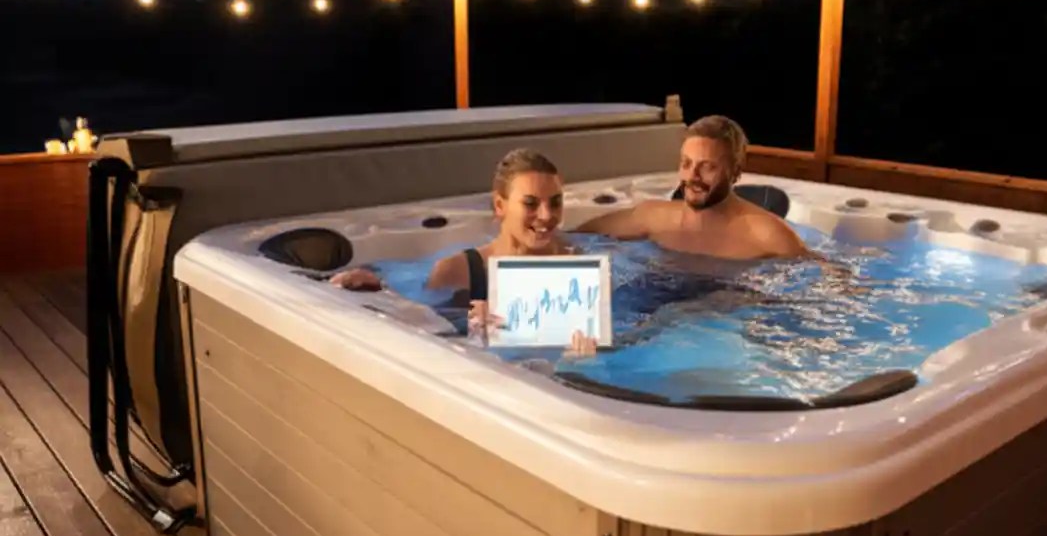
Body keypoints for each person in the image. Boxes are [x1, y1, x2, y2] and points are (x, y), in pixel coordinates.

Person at [329, 148, 596, 355]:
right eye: (530, 204)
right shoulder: (459, 271)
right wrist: (381, 293)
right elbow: (425, 333)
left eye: (556, 202)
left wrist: (582, 360)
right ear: (500, 205)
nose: (546, 216)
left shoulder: (575, 262)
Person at [575, 115, 810, 260]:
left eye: (707, 167)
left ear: (735, 172)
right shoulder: (652, 216)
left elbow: (826, 280)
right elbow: (576, 237)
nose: (692, 176)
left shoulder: (767, 233)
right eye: (686, 163)